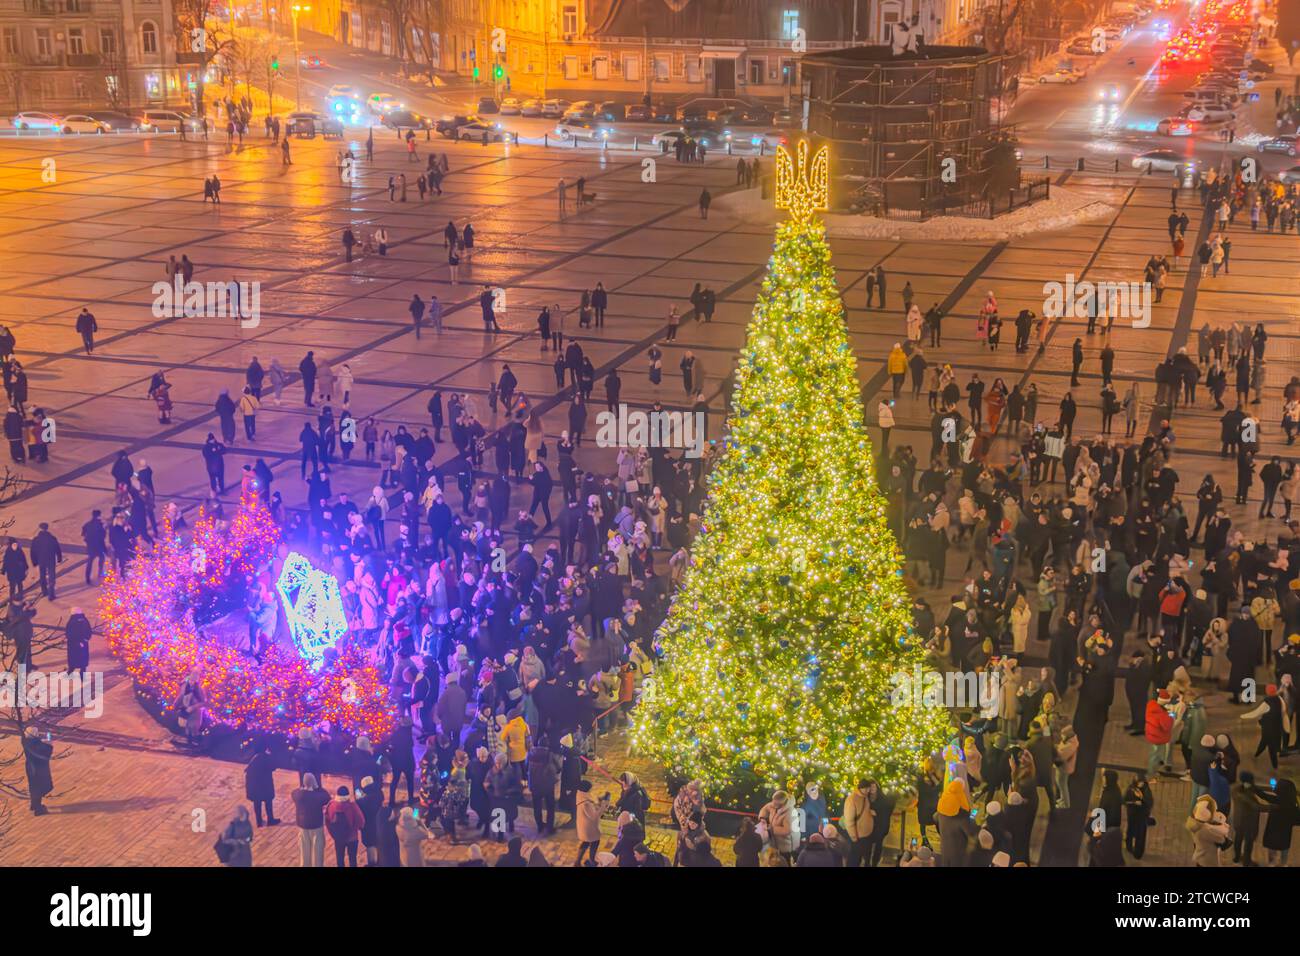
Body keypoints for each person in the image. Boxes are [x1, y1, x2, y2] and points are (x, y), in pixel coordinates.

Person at [292, 773, 330, 867]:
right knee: (317, 850)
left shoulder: (298, 795)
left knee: (304, 850)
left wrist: (304, 787)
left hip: (303, 825)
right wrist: (317, 787)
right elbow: (327, 797)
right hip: (316, 826)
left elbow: (294, 791)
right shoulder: (317, 796)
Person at [325, 786, 365, 867]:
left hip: (338, 838)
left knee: (340, 860)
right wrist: (356, 828)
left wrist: (333, 834)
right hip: (352, 838)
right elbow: (361, 821)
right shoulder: (353, 806)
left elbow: (327, 821)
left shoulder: (331, 805)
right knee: (352, 860)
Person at [21, 726, 53, 815]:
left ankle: (34, 804)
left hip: (31, 767)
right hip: (38, 768)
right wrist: (49, 745)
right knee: (39, 786)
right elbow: (45, 753)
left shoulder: (26, 741)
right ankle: (38, 809)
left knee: (33, 786)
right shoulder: (34, 744)